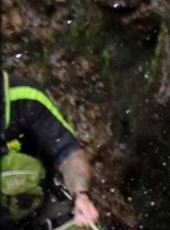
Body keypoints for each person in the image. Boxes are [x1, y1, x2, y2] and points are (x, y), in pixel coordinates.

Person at [1, 71, 100, 230]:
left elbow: (69, 153)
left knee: (84, 224)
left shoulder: (27, 98)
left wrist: (81, 195)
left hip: (36, 202)